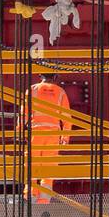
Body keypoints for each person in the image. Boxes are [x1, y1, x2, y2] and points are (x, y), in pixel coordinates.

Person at [30, 73, 70, 203]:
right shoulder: (60, 92)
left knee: (31, 165)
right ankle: (44, 201)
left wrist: (20, 131)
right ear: (55, 77)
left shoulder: (32, 89)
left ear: (40, 76)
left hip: (35, 133)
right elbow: (66, 117)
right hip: (52, 135)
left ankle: (30, 196)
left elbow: (24, 112)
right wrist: (65, 137)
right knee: (49, 167)